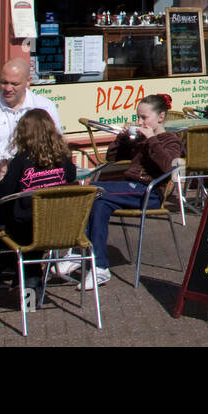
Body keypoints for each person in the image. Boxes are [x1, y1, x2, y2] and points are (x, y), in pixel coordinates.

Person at [71, 94, 184, 290]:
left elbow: (170, 168)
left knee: (94, 191)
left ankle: (77, 251)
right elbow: (112, 157)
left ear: (161, 117)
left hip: (150, 193)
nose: (140, 122)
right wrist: (122, 138)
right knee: (99, 203)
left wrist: (152, 141)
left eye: (144, 118)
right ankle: (99, 267)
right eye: (138, 117)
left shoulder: (171, 141)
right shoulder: (140, 139)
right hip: (130, 189)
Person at [0, 108, 77, 247]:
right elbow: (72, 176)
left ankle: (3, 257)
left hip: (26, 229)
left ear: (23, 133)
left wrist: (2, 174)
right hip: (58, 225)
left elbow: (3, 193)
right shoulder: (61, 157)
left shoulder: (21, 160)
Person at [0, 57, 62, 169]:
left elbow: (59, 145)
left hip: (34, 176)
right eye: (4, 82)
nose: (8, 88)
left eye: (14, 84)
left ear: (28, 81)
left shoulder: (45, 106)